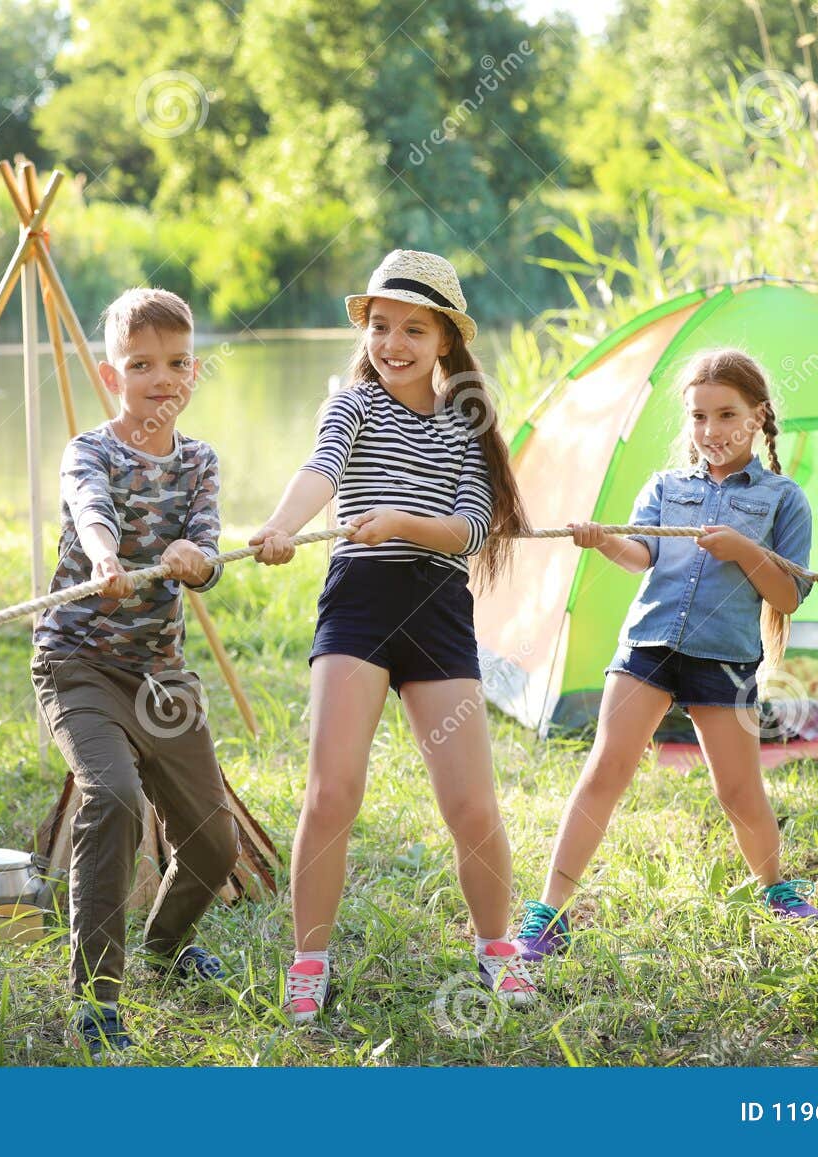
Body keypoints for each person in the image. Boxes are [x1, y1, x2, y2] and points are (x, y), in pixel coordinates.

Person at [250, 250, 536, 1022]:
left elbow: (472, 528)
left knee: (470, 804)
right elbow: (320, 470)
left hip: (437, 608)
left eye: (414, 329)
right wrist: (281, 525)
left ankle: (497, 946)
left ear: (445, 340)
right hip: (360, 605)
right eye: (380, 326)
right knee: (332, 790)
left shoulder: (467, 424)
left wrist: (403, 523)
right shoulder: (351, 405)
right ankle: (309, 961)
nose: (393, 343)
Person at [515, 347, 818, 964]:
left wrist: (744, 550)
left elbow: (788, 595)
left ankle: (774, 887)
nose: (711, 430)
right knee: (605, 770)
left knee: (738, 791)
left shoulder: (783, 499)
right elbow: (641, 555)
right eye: (699, 416)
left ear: (758, 417)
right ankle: (550, 912)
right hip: (648, 646)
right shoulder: (666, 487)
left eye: (726, 414)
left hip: (724, 659)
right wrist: (604, 542)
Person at [30, 287, 238, 1059]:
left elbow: (208, 551)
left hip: (160, 674)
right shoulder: (89, 451)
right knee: (113, 795)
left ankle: (165, 944)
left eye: (178, 363)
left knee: (214, 844)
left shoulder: (200, 462)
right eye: (142, 364)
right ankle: (97, 997)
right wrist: (105, 556)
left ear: (193, 372)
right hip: (78, 665)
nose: (162, 378)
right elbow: (91, 509)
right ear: (112, 374)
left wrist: (196, 560)